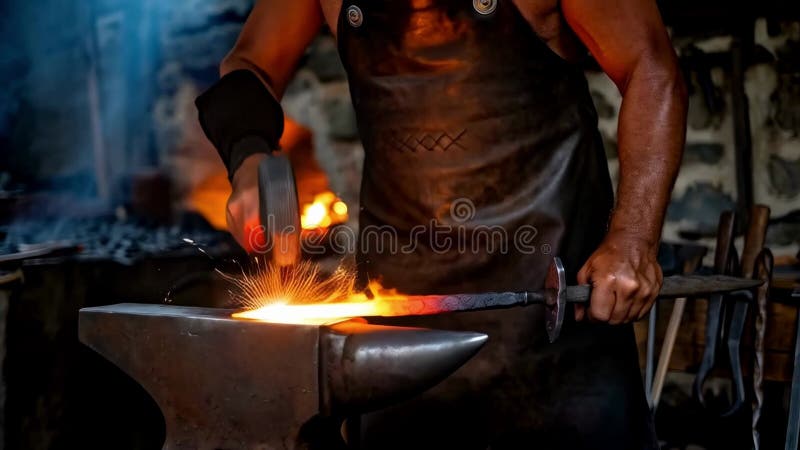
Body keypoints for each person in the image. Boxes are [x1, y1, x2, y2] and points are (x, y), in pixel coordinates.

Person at [195, 0, 687, 448]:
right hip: (395, 344)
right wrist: (249, 155)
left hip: (554, 332)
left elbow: (650, 66)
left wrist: (632, 239)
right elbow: (250, 63)